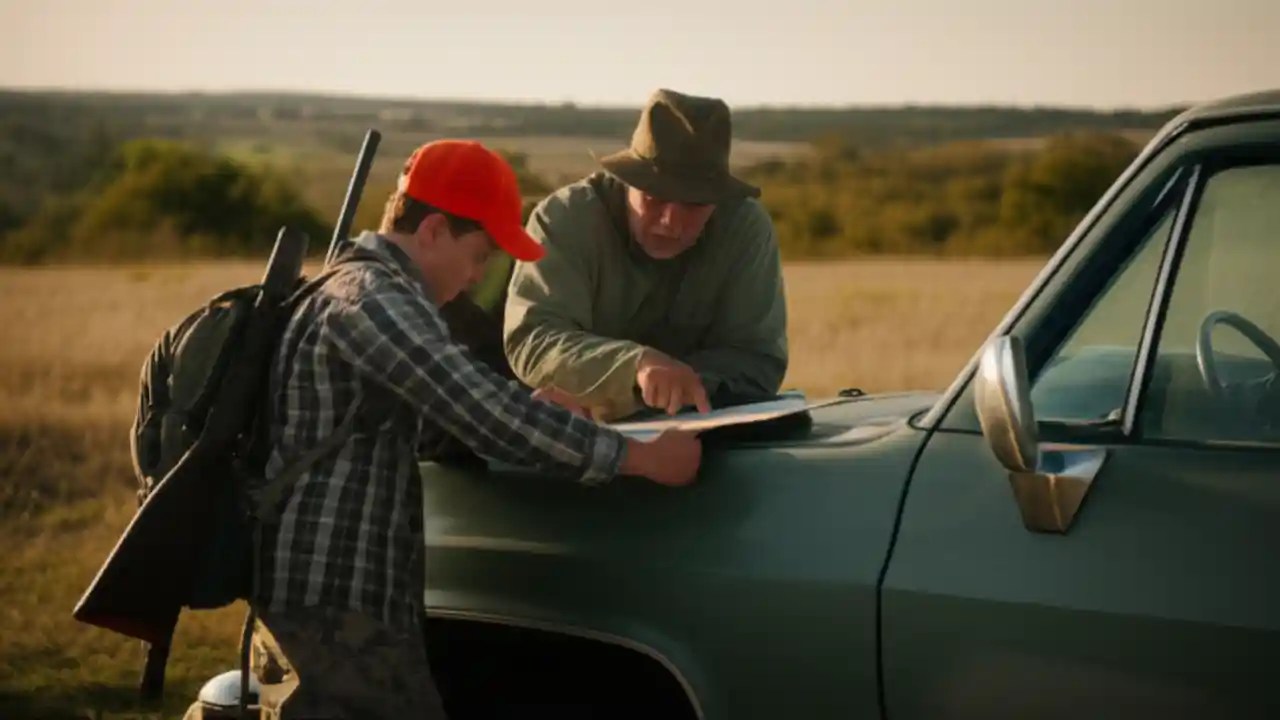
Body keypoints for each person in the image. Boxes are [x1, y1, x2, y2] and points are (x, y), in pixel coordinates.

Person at [249, 139, 702, 719]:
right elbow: (481, 412)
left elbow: (447, 415)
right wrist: (639, 457)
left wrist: (536, 410)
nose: (478, 276)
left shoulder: (364, 293)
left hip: (339, 599)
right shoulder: (372, 300)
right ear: (434, 230)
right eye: (480, 255)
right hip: (333, 600)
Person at [502, 88, 789, 422]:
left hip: (704, 431)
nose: (670, 222)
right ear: (627, 180)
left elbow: (758, 359)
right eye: (655, 197)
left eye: (694, 204)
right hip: (577, 433)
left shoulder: (743, 227)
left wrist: (666, 388)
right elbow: (533, 338)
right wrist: (634, 367)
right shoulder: (566, 219)